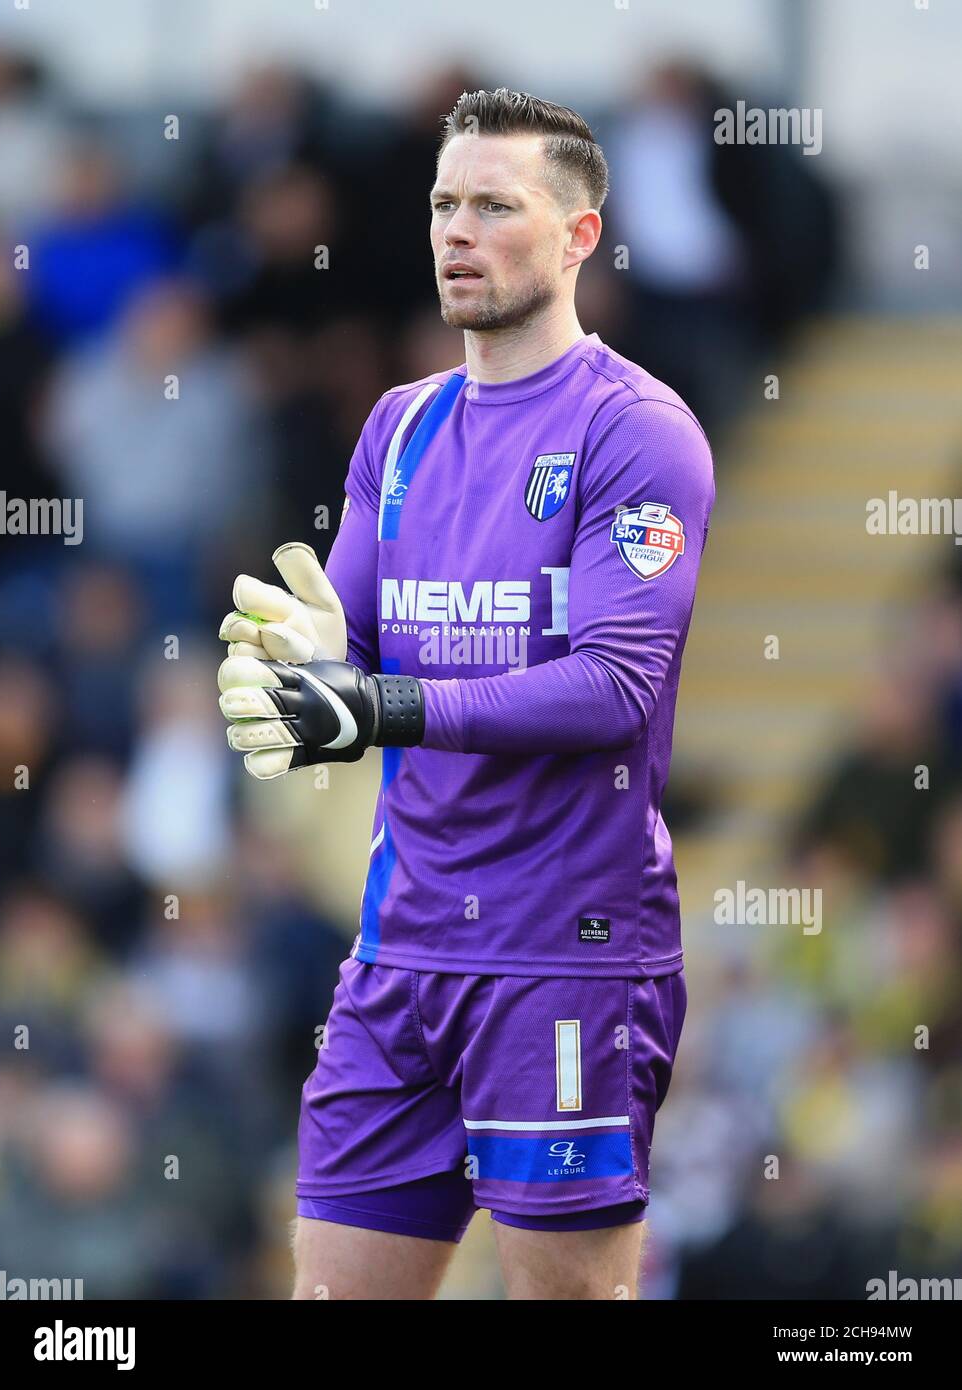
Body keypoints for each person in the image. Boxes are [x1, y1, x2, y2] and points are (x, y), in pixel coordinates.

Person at [217, 88, 715, 1300]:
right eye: (447, 204)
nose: (458, 231)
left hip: (568, 952)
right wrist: (291, 668)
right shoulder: (401, 424)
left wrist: (381, 705)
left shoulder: (637, 430)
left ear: (580, 235)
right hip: (400, 954)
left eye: (496, 205)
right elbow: (349, 651)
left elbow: (613, 684)